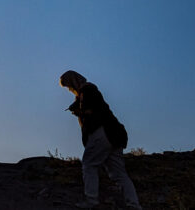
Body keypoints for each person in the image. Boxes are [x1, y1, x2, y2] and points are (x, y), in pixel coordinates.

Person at [59, 70, 142, 209]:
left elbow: (91, 110)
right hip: (115, 135)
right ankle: (134, 205)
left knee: (89, 164)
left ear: (73, 82)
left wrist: (79, 110)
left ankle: (91, 201)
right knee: (119, 173)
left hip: (102, 133)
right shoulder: (88, 91)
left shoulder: (87, 89)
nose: (69, 89)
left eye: (68, 86)